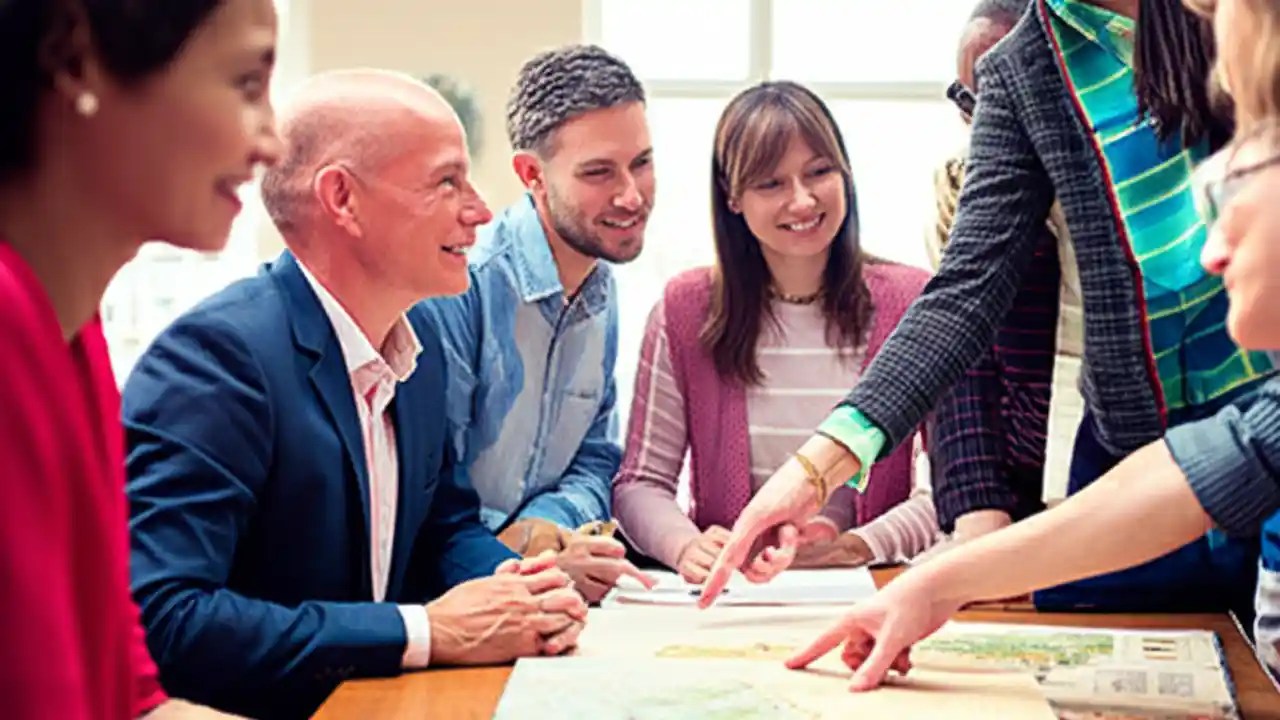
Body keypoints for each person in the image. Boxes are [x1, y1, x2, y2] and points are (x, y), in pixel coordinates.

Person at [701, 0, 1266, 615]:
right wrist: (812, 472)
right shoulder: (1023, 68)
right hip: (1134, 453)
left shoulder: (1241, 18)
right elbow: (967, 289)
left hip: (1264, 411)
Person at [122, 70, 587, 719]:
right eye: (446, 181)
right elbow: (165, 621)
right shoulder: (216, 360)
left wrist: (514, 587)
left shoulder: (415, 342)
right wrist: (425, 632)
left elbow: (440, 527)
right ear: (343, 199)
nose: (481, 210)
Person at [0, 1, 279, 718]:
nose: (273, 141)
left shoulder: (70, 328)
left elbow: (134, 702)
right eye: (248, 82)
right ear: (75, 59)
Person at [612, 80, 945, 584]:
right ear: (733, 197)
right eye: (771, 184)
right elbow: (640, 484)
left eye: (819, 172)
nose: (803, 200)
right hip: (735, 596)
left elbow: (951, 488)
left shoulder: (914, 303)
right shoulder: (684, 311)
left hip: (872, 589)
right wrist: (687, 547)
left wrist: (856, 546)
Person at [418, 44, 655, 602]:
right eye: (599, 172)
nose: (631, 194)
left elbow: (596, 453)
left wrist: (545, 533)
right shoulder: (458, 289)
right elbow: (427, 497)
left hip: (550, 592)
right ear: (532, 174)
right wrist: (523, 551)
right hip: (456, 599)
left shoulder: (602, 285)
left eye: (642, 162)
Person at [925, 0, 1085, 548]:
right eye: (968, 99)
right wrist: (977, 503)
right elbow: (953, 348)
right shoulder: (958, 187)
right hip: (1004, 491)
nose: (984, 122)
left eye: (1001, 99)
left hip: (1105, 481)